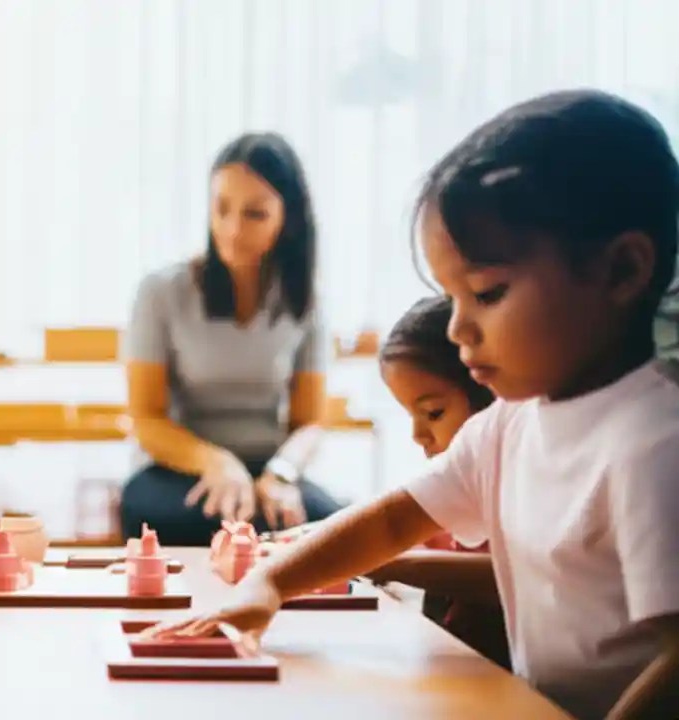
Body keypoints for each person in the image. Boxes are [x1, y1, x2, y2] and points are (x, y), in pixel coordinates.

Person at [147, 90, 679, 720]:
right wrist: (269, 583)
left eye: (487, 293)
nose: (457, 330)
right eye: (450, 298)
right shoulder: (508, 424)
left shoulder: (653, 442)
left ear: (622, 271)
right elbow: (393, 521)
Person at [120, 132, 344, 546]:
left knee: (332, 526)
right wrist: (216, 463)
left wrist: (281, 474)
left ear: (288, 218)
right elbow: (146, 419)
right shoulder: (160, 293)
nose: (232, 229)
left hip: (268, 468)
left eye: (255, 214)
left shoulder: (306, 303)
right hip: (182, 469)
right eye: (221, 209)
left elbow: (310, 422)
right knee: (198, 520)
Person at [368, 296, 508, 668]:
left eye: (433, 412)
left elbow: (512, 575)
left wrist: (391, 562)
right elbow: (384, 522)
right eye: (409, 415)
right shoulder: (449, 492)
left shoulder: (514, 474)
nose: (417, 434)